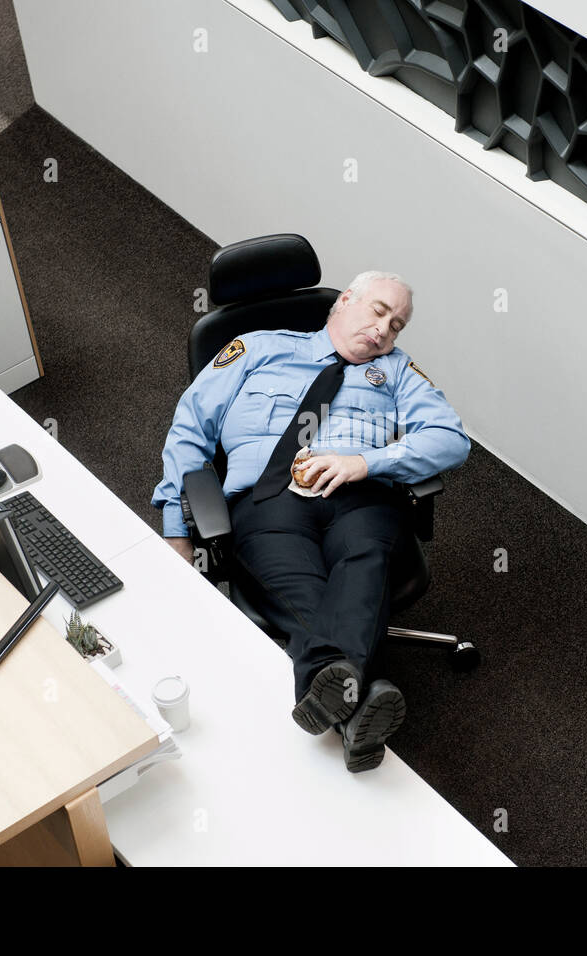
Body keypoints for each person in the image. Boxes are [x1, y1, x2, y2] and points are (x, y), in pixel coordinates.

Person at [152, 271, 470, 771]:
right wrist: (175, 525)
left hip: (360, 495)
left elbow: (450, 440)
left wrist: (366, 464)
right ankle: (361, 703)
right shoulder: (255, 349)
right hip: (269, 499)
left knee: (365, 556)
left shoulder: (398, 372)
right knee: (304, 588)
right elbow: (191, 427)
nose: (386, 330)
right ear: (344, 302)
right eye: (379, 311)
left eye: (398, 325)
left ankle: (332, 684)